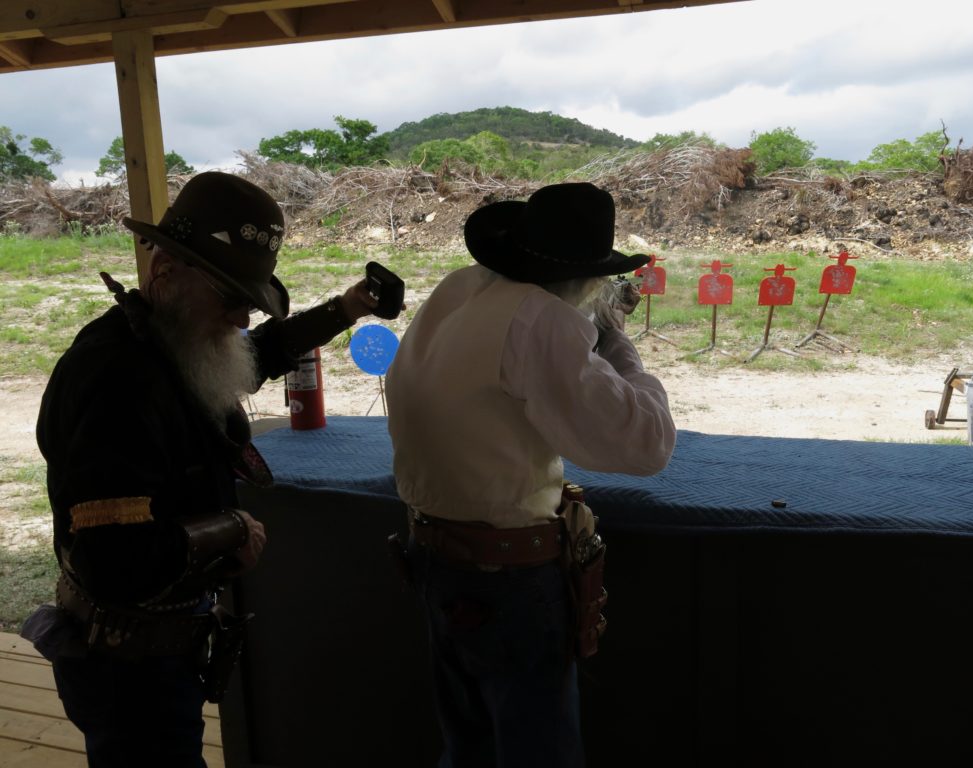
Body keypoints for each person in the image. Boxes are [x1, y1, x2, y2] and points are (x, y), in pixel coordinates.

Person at [22, 171, 381, 768]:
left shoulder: (169, 339)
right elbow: (114, 557)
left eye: (251, 300)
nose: (242, 320)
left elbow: (254, 357)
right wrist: (229, 531)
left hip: (155, 654)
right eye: (233, 299)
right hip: (127, 670)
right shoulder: (116, 378)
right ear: (166, 270)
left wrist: (343, 309)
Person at [385, 182, 677, 767]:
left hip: (434, 556)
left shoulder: (459, 289)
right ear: (586, 279)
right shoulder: (543, 320)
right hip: (508, 582)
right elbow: (648, 442)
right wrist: (619, 346)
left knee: (468, 748)